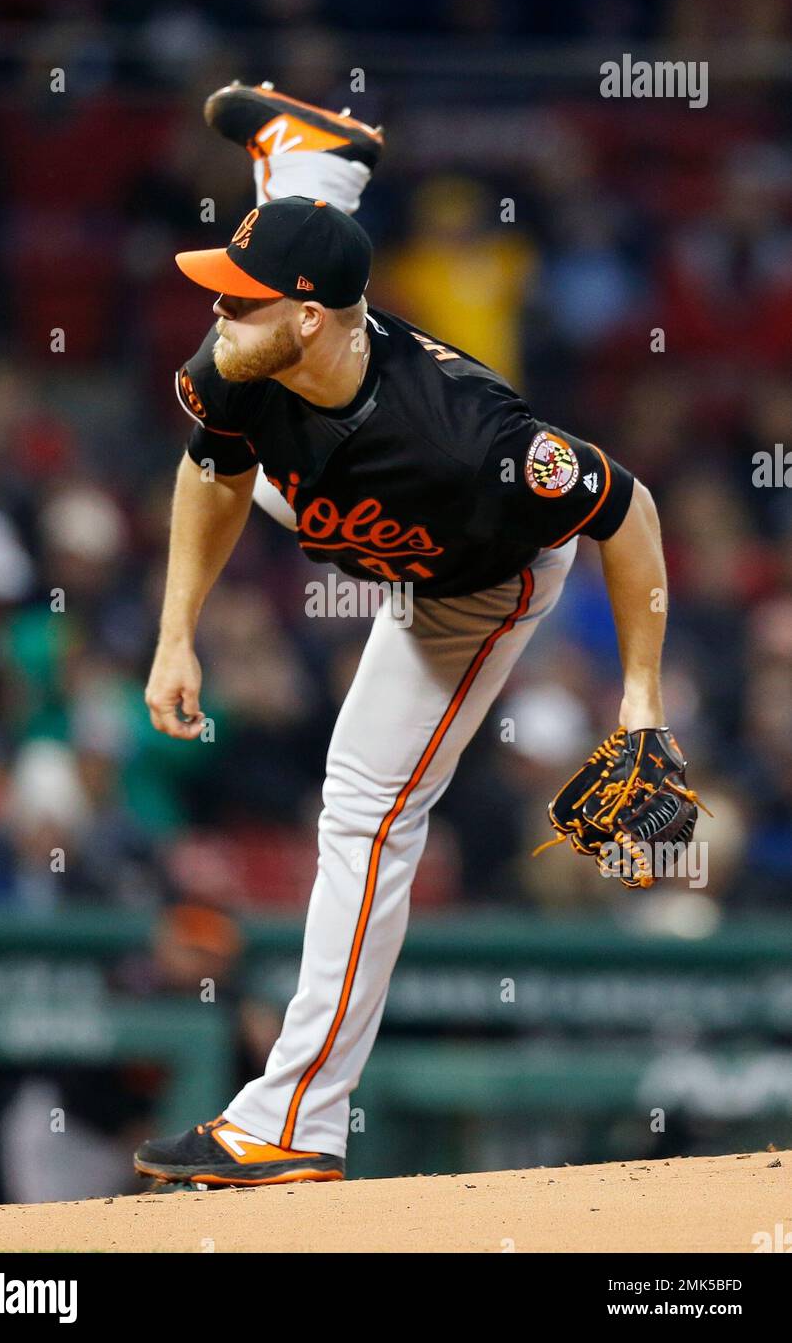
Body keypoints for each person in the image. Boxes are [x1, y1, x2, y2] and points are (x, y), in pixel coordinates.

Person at [134, 83, 667, 1188]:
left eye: (242, 300)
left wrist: (640, 697)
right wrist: (173, 634)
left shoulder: (479, 445)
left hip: (470, 582)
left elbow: (627, 507)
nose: (218, 317)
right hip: (325, 497)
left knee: (367, 809)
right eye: (223, 298)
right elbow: (214, 474)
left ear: (314, 316)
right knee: (250, 442)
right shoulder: (249, 355)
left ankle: (292, 1120)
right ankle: (310, 163)